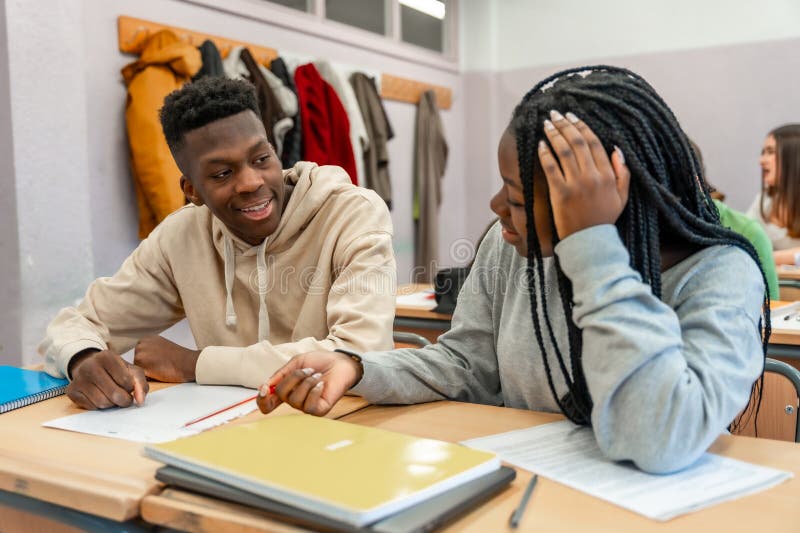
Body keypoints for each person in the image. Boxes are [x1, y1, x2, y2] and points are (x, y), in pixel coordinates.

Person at [257, 66, 770, 474]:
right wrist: (361, 368)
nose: (496, 205)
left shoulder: (721, 276)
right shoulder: (513, 252)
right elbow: (467, 365)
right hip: (523, 487)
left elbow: (661, 438)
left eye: (520, 198)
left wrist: (593, 247)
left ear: (606, 203)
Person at [39, 77, 396, 410]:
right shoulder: (181, 237)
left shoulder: (351, 214)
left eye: (261, 159)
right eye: (222, 174)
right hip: (225, 432)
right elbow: (76, 324)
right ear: (192, 190)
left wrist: (196, 364)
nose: (250, 182)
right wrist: (83, 358)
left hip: (340, 425)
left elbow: (359, 354)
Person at [688, 139, 779, 300]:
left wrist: (775, 256)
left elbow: (771, 305)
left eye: (771, 152)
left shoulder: (747, 231)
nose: (762, 160)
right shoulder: (763, 202)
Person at [746, 124, 800, 264]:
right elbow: (743, 236)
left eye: (770, 152)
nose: (761, 161)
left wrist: (767, 258)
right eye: (763, 152)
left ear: (793, 156)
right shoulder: (765, 200)